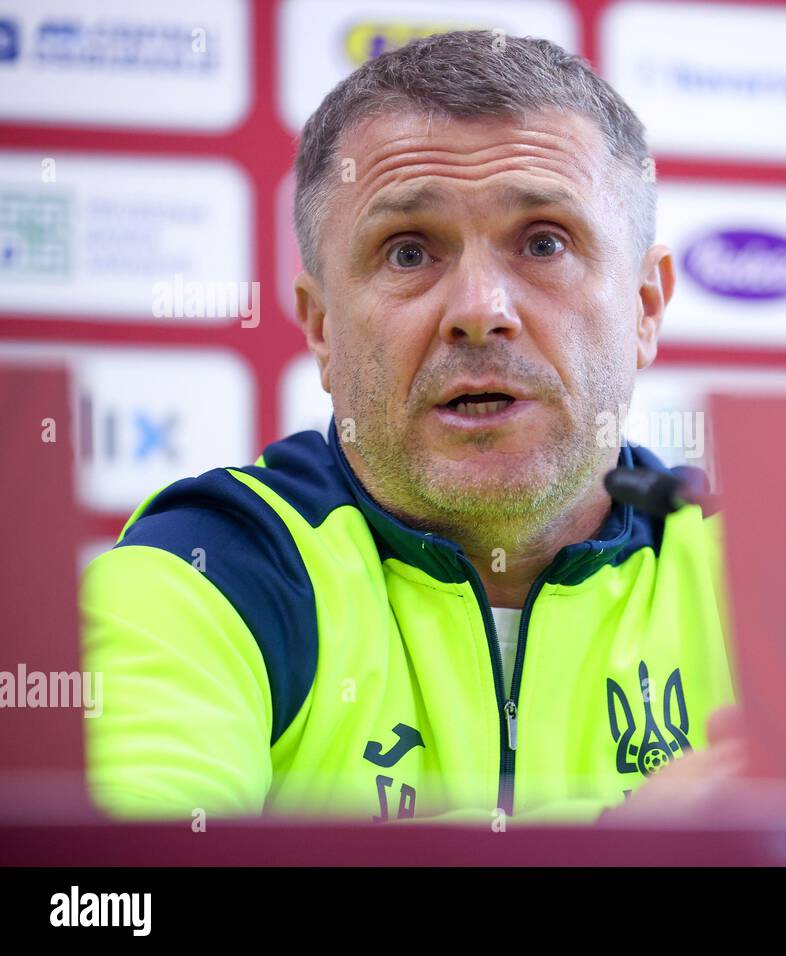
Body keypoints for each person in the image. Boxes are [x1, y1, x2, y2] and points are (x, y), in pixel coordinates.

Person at [79, 30, 743, 826]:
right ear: (323, 329)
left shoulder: (768, 580)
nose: (479, 312)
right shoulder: (203, 575)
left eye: (543, 242)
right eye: (407, 253)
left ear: (645, 307)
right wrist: (619, 846)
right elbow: (115, 902)